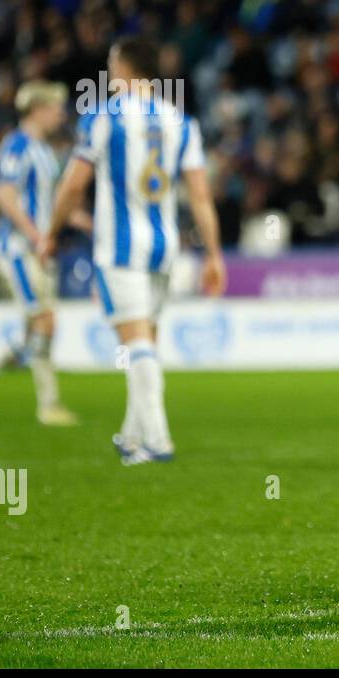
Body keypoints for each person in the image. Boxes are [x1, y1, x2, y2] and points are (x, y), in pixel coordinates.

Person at [39, 36, 226, 464]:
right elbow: (199, 196)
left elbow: (72, 184)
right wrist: (214, 253)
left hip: (120, 249)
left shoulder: (104, 117)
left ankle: (158, 440)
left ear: (122, 67)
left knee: (136, 340)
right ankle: (133, 437)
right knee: (146, 341)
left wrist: (50, 232)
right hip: (164, 247)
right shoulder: (181, 121)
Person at [0, 81, 83, 426]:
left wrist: (84, 221)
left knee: (36, 327)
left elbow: (51, 203)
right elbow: (4, 195)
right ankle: (49, 405)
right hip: (17, 250)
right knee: (45, 320)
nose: (61, 114)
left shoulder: (45, 151)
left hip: (37, 249)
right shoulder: (16, 145)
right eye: (56, 107)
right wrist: (35, 235)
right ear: (38, 109)